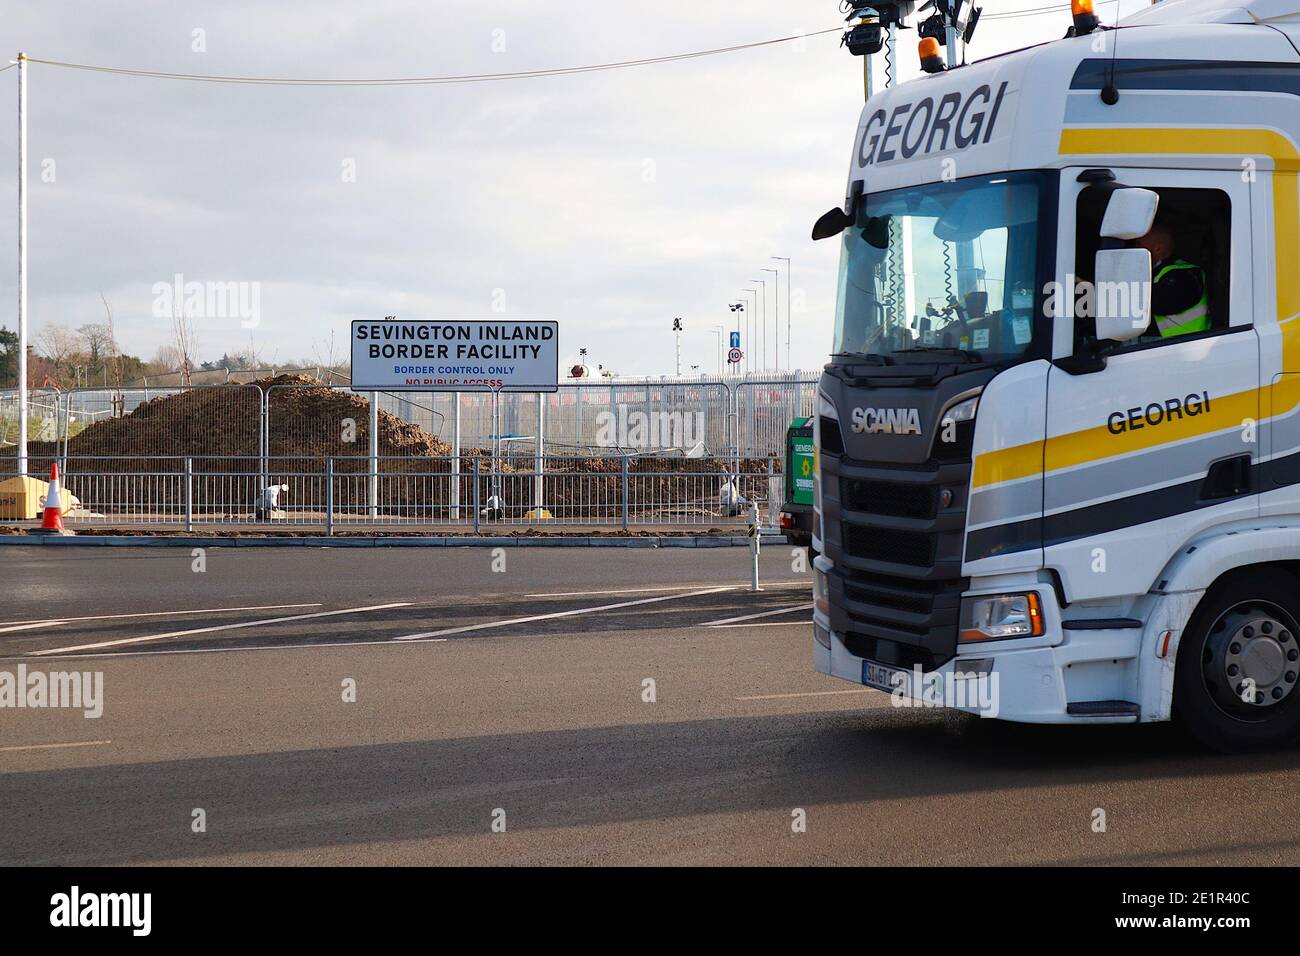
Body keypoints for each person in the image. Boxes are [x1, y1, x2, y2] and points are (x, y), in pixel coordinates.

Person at [1133, 220, 1210, 338]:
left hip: (1186, 346)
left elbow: (1152, 304)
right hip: (1165, 346)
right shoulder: (1153, 272)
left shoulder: (1184, 275)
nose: (1134, 248)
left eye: (1139, 244)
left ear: (1158, 249)